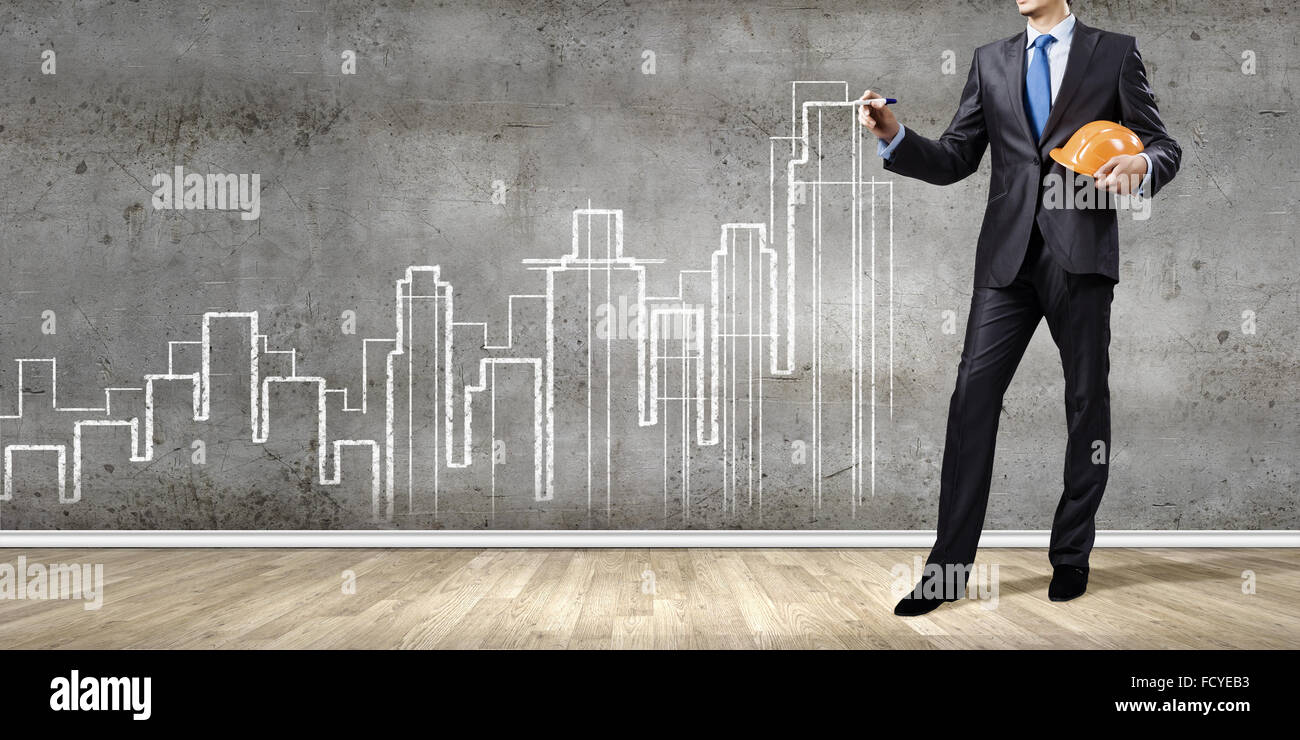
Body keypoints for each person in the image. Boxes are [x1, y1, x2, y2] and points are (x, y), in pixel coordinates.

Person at [858, 0, 1181, 616]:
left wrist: (1141, 163)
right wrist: (895, 136)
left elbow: (1163, 145)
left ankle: (1071, 557)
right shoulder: (990, 61)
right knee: (971, 400)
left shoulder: (1113, 51)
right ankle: (946, 572)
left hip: (1080, 256)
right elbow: (957, 155)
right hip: (1005, 259)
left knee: (1087, 403)